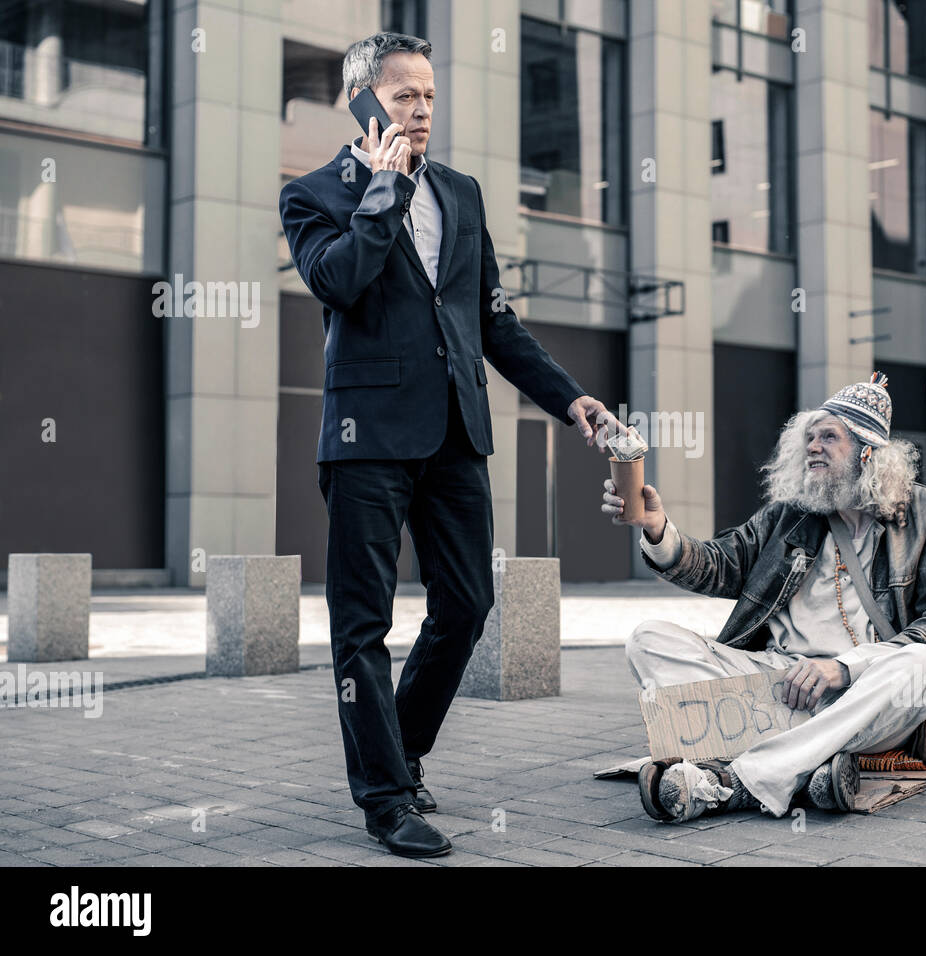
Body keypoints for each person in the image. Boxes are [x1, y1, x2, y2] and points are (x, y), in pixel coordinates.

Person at [280, 32, 621, 858]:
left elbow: (492, 321)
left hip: (457, 435)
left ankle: (399, 747)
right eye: (404, 97)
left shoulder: (462, 195)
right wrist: (382, 190)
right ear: (364, 102)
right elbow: (338, 282)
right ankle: (386, 799)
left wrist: (567, 396)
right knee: (360, 623)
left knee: (467, 604)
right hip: (365, 442)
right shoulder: (314, 194)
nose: (423, 110)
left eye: (429, 95)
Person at [600, 373, 926, 822]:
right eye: (809, 438)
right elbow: (720, 565)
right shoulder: (789, 514)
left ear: (867, 453)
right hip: (777, 687)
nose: (812, 447)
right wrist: (657, 529)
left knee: (923, 664)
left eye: (828, 437)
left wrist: (843, 669)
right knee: (648, 640)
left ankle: (734, 781)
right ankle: (808, 768)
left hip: (863, 693)